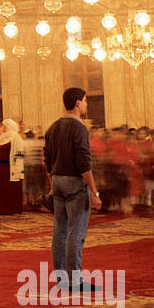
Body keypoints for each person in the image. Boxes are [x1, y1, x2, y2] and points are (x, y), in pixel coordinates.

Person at [44, 87, 102, 296]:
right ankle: (74, 280)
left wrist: (53, 184)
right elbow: (84, 164)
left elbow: (47, 160)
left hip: (58, 181)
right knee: (76, 232)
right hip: (75, 182)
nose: (86, 105)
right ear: (78, 103)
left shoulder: (53, 127)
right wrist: (95, 193)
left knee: (59, 231)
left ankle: (61, 279)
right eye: (85, 101)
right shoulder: (79, 128)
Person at [0, 118, 25, 216]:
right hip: (1, 168)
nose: (2, 127)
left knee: (10, 188)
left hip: (9, 168)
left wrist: (17, 169)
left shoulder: (16, 137)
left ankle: (11, 209)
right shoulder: (1, 137)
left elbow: (18, 154)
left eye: (4, 125)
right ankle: (2, 209)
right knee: (1, 188)